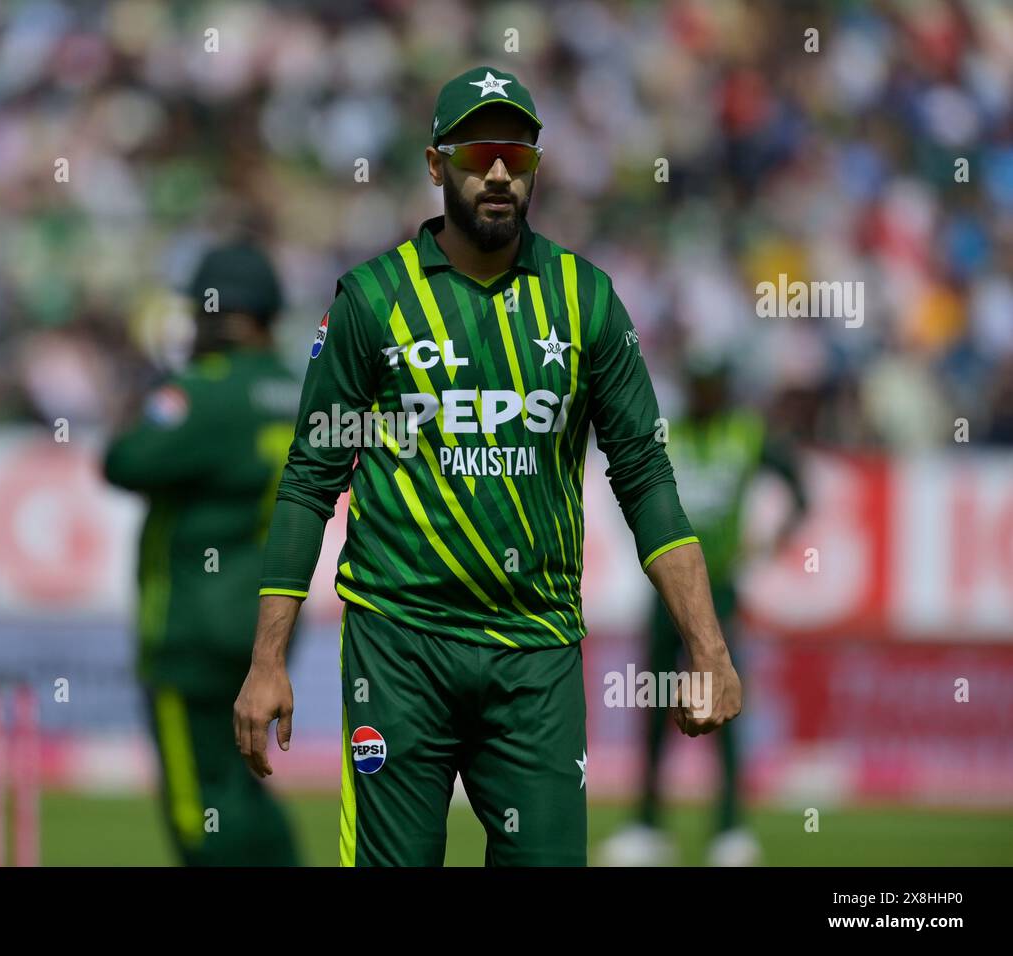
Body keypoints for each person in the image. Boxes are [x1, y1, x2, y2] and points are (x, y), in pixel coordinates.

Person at [233, 65, 741, 866]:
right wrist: (267, 662)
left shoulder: (587, 300)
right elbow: (308, 480)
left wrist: (706, 646)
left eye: (517, 153)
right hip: (399, 646)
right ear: (437, 166)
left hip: (534, 653)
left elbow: (644, 475)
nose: (499, 172)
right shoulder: (371, 300)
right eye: (477, 154)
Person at [103, 240, 301, 866]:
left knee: (199, 811)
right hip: (268, 630)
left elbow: (123, 461)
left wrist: (160, 384)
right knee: (245, 783)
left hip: (191, 629)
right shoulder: (300, 392)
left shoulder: (204, 392)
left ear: (226, 316)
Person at [601, 358, 807, 866]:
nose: (703, 393)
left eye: (711, 384)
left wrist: (772, 539)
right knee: (653, 707)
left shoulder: (746, 432)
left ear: (724, 387)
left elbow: (800, 490)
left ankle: (730, 829)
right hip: (667, 586)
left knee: (727, 707)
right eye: (697, 384)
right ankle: (648, 826)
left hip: (721, 587)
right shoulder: (667, 430)